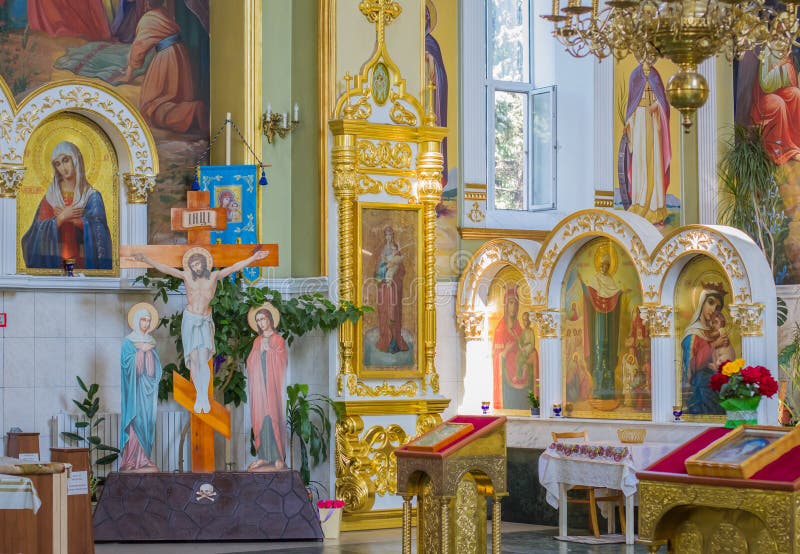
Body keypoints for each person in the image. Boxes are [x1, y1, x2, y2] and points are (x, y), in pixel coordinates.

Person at [133, 246, 269, 413]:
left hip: (204, 320)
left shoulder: (213, 276)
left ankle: (203, 395)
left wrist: (253, 259)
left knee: (203, 359)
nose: (196, 268)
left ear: (205, 264)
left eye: (199, 264)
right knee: (195, 359)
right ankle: (200, 395)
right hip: (190, 320)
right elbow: (165, 268)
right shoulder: (186, 276)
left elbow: (234, 267)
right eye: (194, 265)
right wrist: (146, 260)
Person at [21, 141, 113, 270]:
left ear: (76, 159)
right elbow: (34, 236)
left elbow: (101, 232)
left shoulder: (91, 196)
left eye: (66, 160)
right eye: (57, 164)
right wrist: (61, 218)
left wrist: (77, 221)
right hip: (55, 263)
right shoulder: (50, 197)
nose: (63, 167)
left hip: (84, 264)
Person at [121, 0, 208, 134]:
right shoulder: (165, 13)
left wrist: (128, 74)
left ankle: (191, 110)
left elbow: (138, 48)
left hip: (166, 58)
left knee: (152, 107)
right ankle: (188, 109)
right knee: (178, 94)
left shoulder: (148, 19)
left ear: (147, 3)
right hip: (180, 55)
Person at [618, 63, 671, 225]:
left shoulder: (655, 74)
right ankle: (640, 204)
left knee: (654, 162)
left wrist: (657, 106)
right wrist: (628, 123)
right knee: (640, 161)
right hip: (638, 122)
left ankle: (655, 209)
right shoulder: (635, 75)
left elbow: (663, 101)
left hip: (653, 122)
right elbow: (631, 104)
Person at [119, 303, 162, 472]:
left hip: (148, 392)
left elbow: (155, 371)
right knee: (135, 420)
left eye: (148, 320)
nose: (146, 323)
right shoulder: (128, 342)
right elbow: (126, 366)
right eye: (143, 320)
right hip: (134, 391)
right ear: (136, 321)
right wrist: (140, 352)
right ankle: (129, 460)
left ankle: (144, 459)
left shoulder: (151, 342)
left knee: (147, 423)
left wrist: (148, 352)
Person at [245, 303, 288, 471]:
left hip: (272, 387)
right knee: (260, 419)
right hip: (259, 388)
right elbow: (249, 363)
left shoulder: (278, 340)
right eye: (258, 320)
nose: (261, 323)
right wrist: (259, 352)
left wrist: (269, 351)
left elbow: (282, 361)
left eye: (263, 319)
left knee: (273, 417)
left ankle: (278, 457)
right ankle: (263, 456)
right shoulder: (257, 341)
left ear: (270, 319)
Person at [580, 247, 624, 401]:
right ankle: (598, 388)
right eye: (602, 265)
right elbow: (590, 293)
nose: (604, 268)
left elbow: (615, 292)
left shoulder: (610, 280)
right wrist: (584, 287)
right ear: (599, 265)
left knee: (608, 348)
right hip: (598, 319)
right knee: (599, 348)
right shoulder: (595, 279)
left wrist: (619, 294)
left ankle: (609, 388)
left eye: (607, 265)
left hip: (608, 319)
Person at [681, 282, 731, 415]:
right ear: (701, 302)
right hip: (699, 386)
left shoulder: (713, 331)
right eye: (711, 302)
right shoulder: (692, 333)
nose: (714, 309)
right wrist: (715, 344)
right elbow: (694, 365)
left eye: (718, 307)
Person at [750, 51, 800, 165]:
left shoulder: (786, 52)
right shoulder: (766, 52)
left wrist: (787, 66)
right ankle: (777, 151)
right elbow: (765, 85)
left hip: (779, 93)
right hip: (764, 99)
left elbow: (791, 83)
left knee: (796, 94)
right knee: (779, 103)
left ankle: (795, 147)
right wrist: (780, 66)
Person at [492, 286, 530, 409]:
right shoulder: (500, 330)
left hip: (521, 375)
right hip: (507, 380)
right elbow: (496, 357)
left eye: (516, 303)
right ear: (506, 306)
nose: (513, 307)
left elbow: (524, 350)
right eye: (510, 303)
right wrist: (506, 351)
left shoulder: (518, 328)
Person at [375, 226, 409, 354]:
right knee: (384, 311)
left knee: (393, 311)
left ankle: (395, 341)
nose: (388, 237)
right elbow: (377, 271)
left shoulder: (397, 250)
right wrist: (383, 271)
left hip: (394, 288)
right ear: (384, 236)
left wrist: (394, 270)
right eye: (386, 235)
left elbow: (402, 270)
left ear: (392, 236)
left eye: (390, 235)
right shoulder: (382, 251)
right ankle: (386, 339)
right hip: (384, 288)